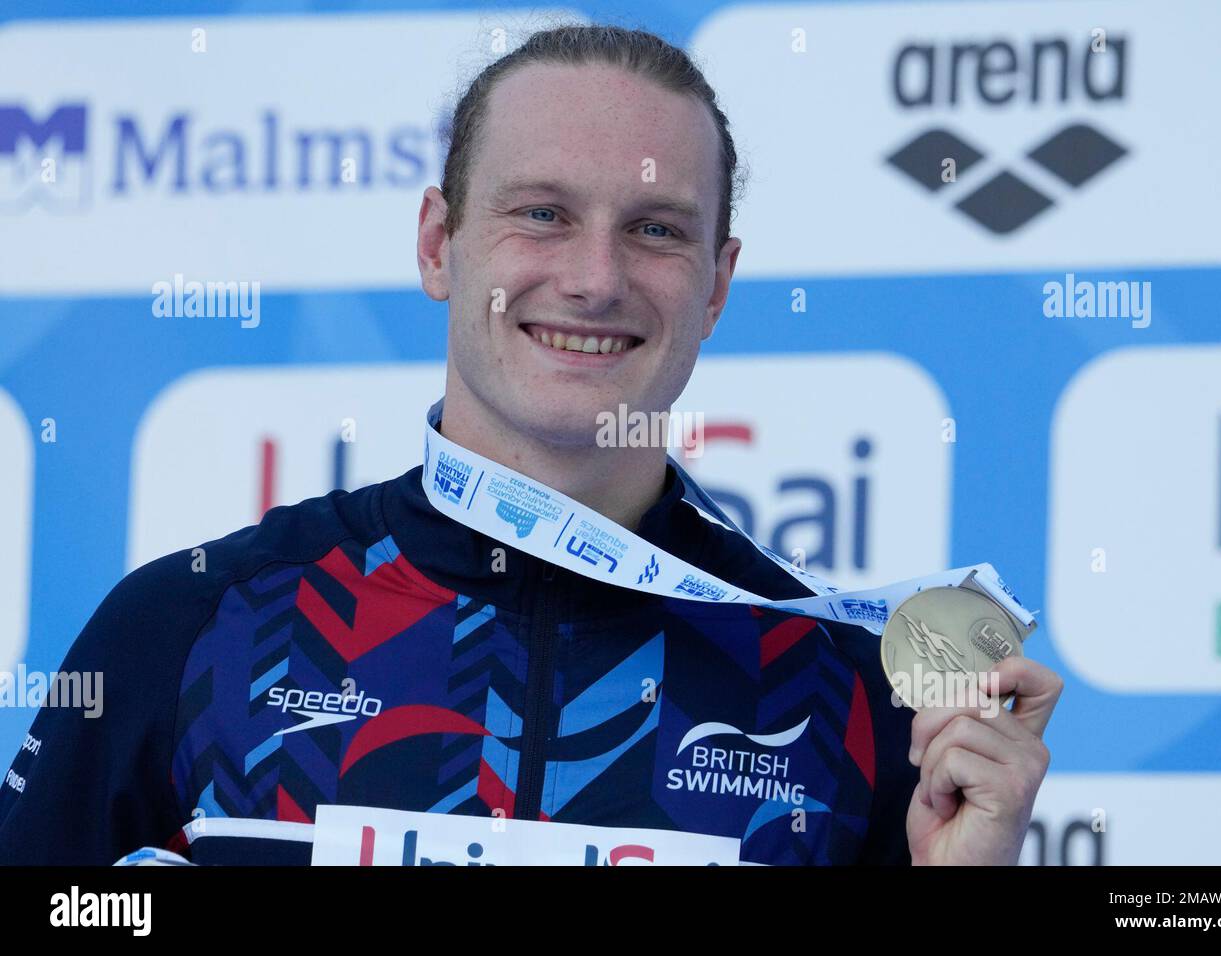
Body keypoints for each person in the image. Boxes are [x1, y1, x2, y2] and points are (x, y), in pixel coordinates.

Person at [0, 24, 1060, 866]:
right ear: (437, 244)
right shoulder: (191, 621)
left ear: (717, 284)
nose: (595, 277)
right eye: (543, 213)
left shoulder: (844, 689)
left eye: (654, 228)